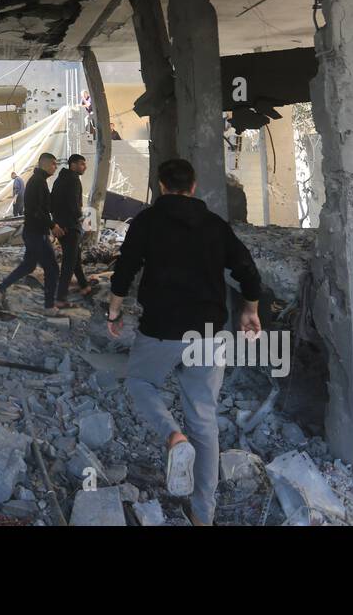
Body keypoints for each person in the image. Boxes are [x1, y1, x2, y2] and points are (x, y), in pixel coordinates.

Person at [106, 158, 263, 527]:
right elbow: (246, 267)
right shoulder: (214, 226)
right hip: (207, 334)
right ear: (193, 187)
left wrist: (114, 310)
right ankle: (202, 515)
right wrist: (249, 309)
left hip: (161, 328)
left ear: (162, 186)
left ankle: (172, 436)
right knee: (204, 421)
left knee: (140, 382)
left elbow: (125, 266)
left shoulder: (147, 222)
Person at [0, 152, 63, 311]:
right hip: (36, 233)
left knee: (28, 266)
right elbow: (36, 211)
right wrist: (52, 226)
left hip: (33, 232)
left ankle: (0, 288)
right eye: (53, 164)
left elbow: (44, 207)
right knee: (52, 269)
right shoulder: (37, 182)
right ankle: (49, 306)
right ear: (44, 164)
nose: (55, 167)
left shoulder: (39, 181)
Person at [50, 153, 93, 307]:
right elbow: (75, 206)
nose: (85, 167)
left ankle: (85, 287)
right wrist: (81, 220)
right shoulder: (74, 180)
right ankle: (60, 298)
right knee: (69, 263)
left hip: (60, 226)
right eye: (82, 164)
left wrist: (56, 223)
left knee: (74, 258)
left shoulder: (59, 179)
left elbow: (52, 204)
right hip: (70, 227)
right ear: (73, 165)